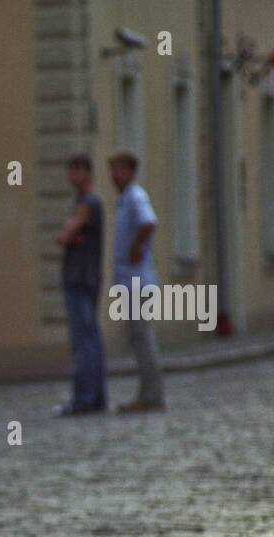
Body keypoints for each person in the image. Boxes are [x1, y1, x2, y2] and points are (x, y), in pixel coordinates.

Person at [108, 149, 165, 413]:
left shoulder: (135, 197)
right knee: (139, 339)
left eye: (118, 169)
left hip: (138, 282)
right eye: (112, 170)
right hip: (130, 281)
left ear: (130, 171)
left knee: (143, 339)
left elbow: (149, 223)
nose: (114, 175)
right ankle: (147, 392)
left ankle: (152, 394)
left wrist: (136, 246)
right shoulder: (125, 199)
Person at [53, 154, 107, 415]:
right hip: (85, 277)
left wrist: (67, 232)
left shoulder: (87, 203)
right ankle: (95, 397)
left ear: (88, 172)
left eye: (77, 171)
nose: (72, 176)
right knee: (90, 339)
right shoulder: (85, 202)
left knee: (84, 341)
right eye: (70, 170)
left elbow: (64, 235)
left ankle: (85, 398)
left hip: (80, 279)